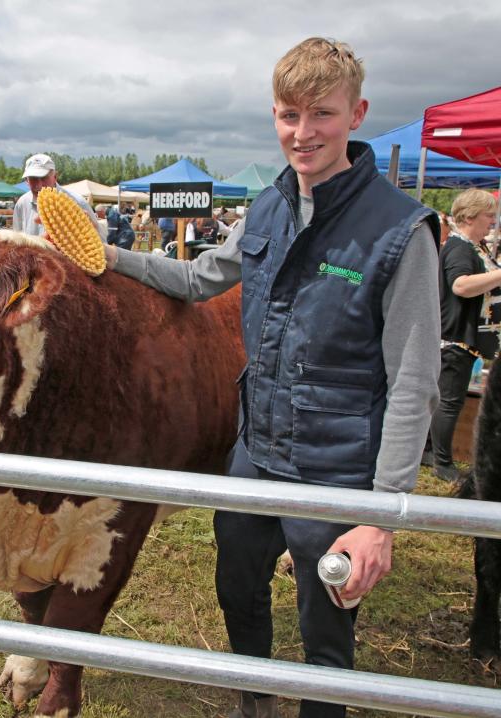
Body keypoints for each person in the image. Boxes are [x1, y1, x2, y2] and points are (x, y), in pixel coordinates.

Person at [104, 37, 440, 718]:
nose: (303, 132)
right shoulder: (267, 207)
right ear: (275, 115)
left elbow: (414, 380)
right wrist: (108, 258)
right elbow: (198, 280)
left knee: (326, 625)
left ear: (356, 114)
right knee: (236, 586)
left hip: (337, 466)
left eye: (322, 114)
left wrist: (382, 516)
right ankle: (252, 701)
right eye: (289, 115)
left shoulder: (401, 231)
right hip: (255, 452)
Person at [427, 189, 499, 482]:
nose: (493, 221)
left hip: (462, 336)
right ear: (469, 217)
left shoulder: (472, 246)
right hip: (454, 336)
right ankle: (442, 463)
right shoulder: (460, 248)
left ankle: (431, 453)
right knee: (449, 400)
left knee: (445, 399)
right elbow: (461, 285)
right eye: (488, 215)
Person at [12, 153, 101, 237]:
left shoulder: (78, 202)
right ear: (27, 181)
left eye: (44, 178)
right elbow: (16, 239)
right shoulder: (21, 204)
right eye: (33, 179)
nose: (39, 185)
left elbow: (98, 241)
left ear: (55, 177)